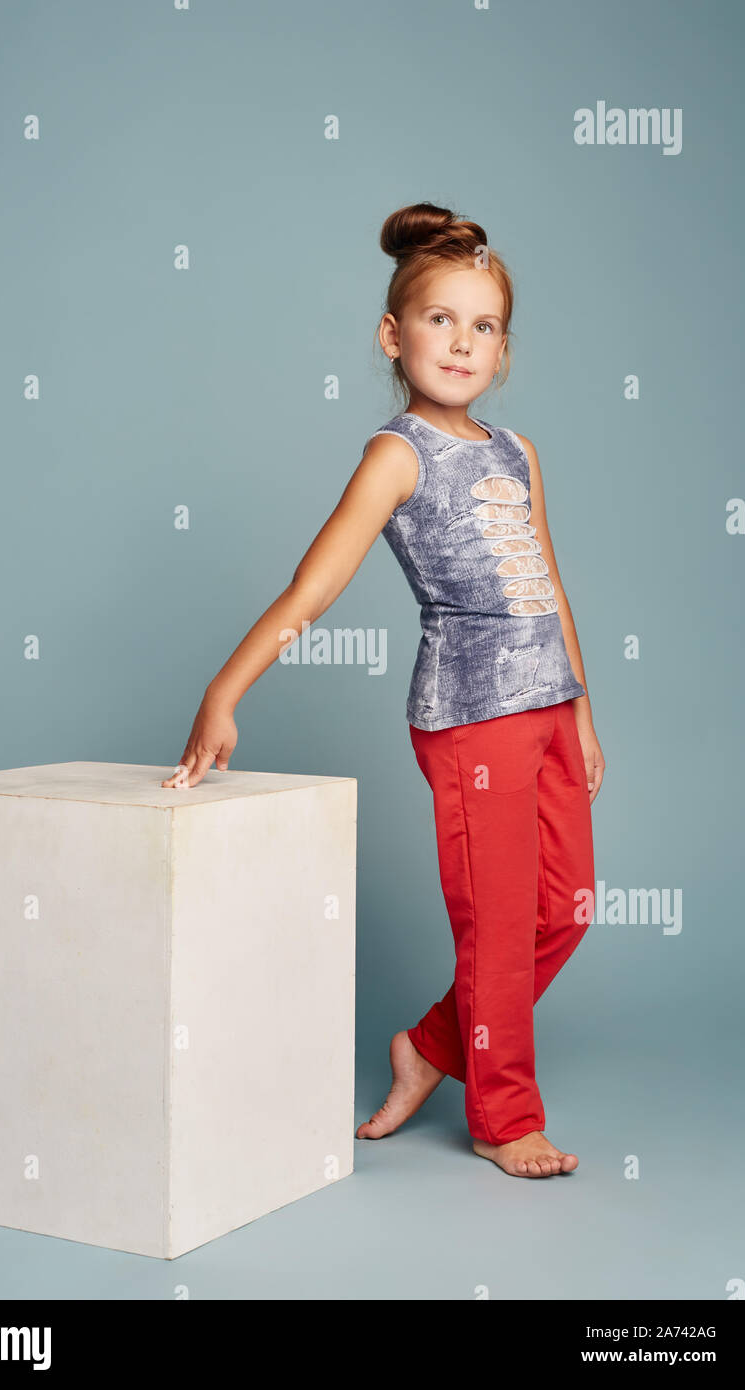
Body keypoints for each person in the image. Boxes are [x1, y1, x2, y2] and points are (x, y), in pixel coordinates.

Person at [162, 200, 605, 1179]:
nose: (461, 341)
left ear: (502, 345)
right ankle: (500, 1116)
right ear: (392, 335)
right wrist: (222, 692)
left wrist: (579, 707)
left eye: (481, 324)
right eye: (439, 320)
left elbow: (547, 580)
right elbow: (310, 587)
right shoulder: (396, 455)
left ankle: (430, 1046)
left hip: (545, 708)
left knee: (565, 908)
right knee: (494, 927)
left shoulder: (515, 451)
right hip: (470, 720)